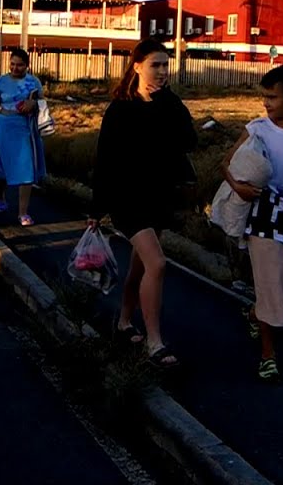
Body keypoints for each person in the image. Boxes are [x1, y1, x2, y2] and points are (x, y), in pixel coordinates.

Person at [89, 39, 197, 369]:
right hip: (127, 199)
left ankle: (124, 322)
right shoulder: (120, 109)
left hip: (157, 197)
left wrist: (167, 103)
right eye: (155, 65)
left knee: (141, 266)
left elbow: (190, 140)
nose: (162, 71)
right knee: (158, 263)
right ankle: (154, 342)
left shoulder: (169, 103)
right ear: (137, 66)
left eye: (166, 65)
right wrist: (96, 208)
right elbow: (105, 159)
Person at [221, 65, 283, 382]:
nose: (265, 103)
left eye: (272, 97)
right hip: (263, 214)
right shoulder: (257, 130)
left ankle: (255, 314)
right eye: (264, 96)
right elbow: (227, 164)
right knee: (268, 284)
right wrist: (237, 187)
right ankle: (268, 356)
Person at [0, 47, 46, 226]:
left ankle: (23, 212)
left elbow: (43, 103)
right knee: (3, 167)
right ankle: (0, 196)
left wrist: (33, 104)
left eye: (19, 65)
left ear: (27, 65)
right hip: (5, 127)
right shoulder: (0, 82)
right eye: (12, 64)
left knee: (26, 166)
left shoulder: (34, 82)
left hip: (26, 127)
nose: (15, 68)